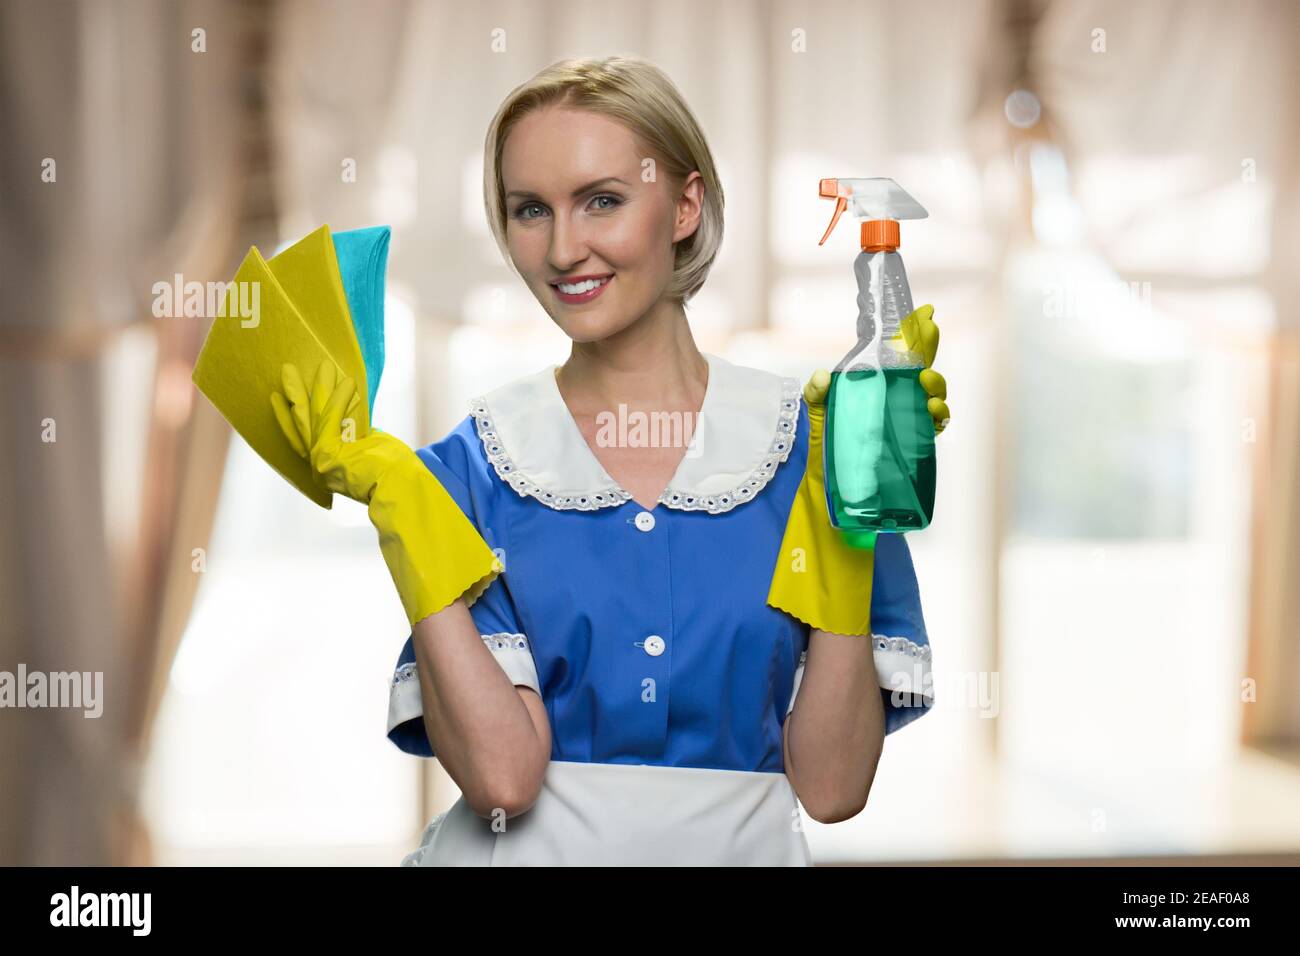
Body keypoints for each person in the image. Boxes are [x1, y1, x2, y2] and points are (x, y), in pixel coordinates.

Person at [273, 55, 950, 866]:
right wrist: (401, 510)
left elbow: (835, 787)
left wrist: (844, 527)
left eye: (603, 201)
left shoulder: (817, 451)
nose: (564, 250)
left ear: (684, 207)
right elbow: (502, 779)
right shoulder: (467, 474)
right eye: (531, 210)